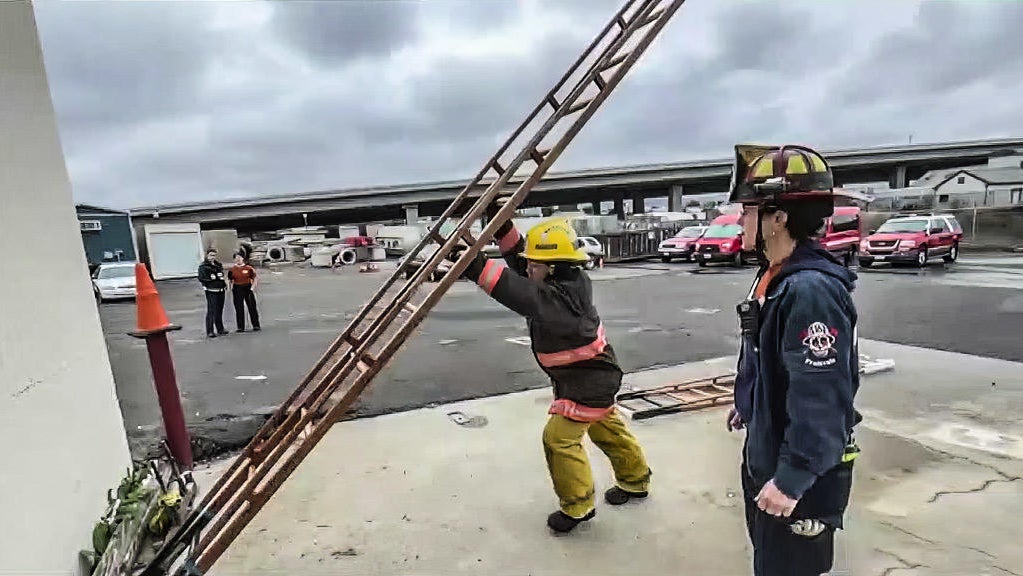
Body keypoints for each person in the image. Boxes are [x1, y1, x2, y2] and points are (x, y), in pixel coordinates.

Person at [449, 208, 651, 533]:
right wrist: (502, 228)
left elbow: (516, 290)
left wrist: (474, 266)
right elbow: (521, 268)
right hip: (592, 377)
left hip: (587, 384)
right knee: (606, 429)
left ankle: (578, 506)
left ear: (553, 267)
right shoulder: (564, 280)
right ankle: (635, 480)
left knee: (558, 440)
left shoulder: (558, 300)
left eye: (535, 264)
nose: (528, 267)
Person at [726, 144, 863, 576]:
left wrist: (792, 480)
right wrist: (748, 401)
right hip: (769, 453)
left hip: (799, 477)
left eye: (748, 211)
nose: (741, 220)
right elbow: (770, 362)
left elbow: (821, 395)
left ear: (778, 217)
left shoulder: (810, 290)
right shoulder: (774, 274)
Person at [197, 249, 228, 338]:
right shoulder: (203, 266)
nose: (212, 257)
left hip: (221, 290)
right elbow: (201, 278)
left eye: (214, 255)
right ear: (207, 255)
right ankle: (210, 331)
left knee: (219, 310)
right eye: (211, 255)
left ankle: (220, 329)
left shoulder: (218, 265)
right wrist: (211, 279)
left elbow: (221, 275)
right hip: (211, 291)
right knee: (212, 311)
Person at [228, 252, 261, 332]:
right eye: (236, 257)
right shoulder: (232, 270)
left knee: (252, 307)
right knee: (239, 308)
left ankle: (256, 325)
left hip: (247, 287)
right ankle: (240, 327)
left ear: (243, 258)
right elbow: (230, 280)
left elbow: (255, 278)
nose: (238, 259)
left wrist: (252, 288)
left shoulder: (249, 268)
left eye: (240, 257)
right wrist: (230, 289)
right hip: (237, 288)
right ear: (234, 259)